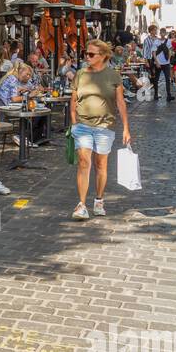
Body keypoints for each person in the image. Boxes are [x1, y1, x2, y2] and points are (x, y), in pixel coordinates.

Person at [69, 41, 131, 221]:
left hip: (105, 126)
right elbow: (73, 101)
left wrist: (126, 127)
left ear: (103, 55)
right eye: (86, 54)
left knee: (101, 165)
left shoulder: (113, 75)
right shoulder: (80, 74)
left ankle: (99, 199)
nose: (87, 57)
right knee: (83, 162)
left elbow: (120, 102)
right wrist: (74, 122)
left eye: (91, 54)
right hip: (82, 125)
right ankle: (81, 204)